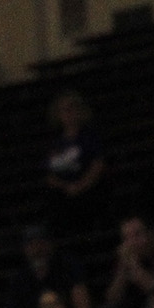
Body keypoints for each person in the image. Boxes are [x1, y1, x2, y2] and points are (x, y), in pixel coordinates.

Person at [42, 90, 108, 238]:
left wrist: (81, 185)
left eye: (72, 108)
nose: (69, 113)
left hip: (89, 189)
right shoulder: (55, 144)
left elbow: (98, 165)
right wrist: (67, 187)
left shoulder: (89, 137)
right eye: (64, 110)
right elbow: (50, 175)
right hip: (64, 193)